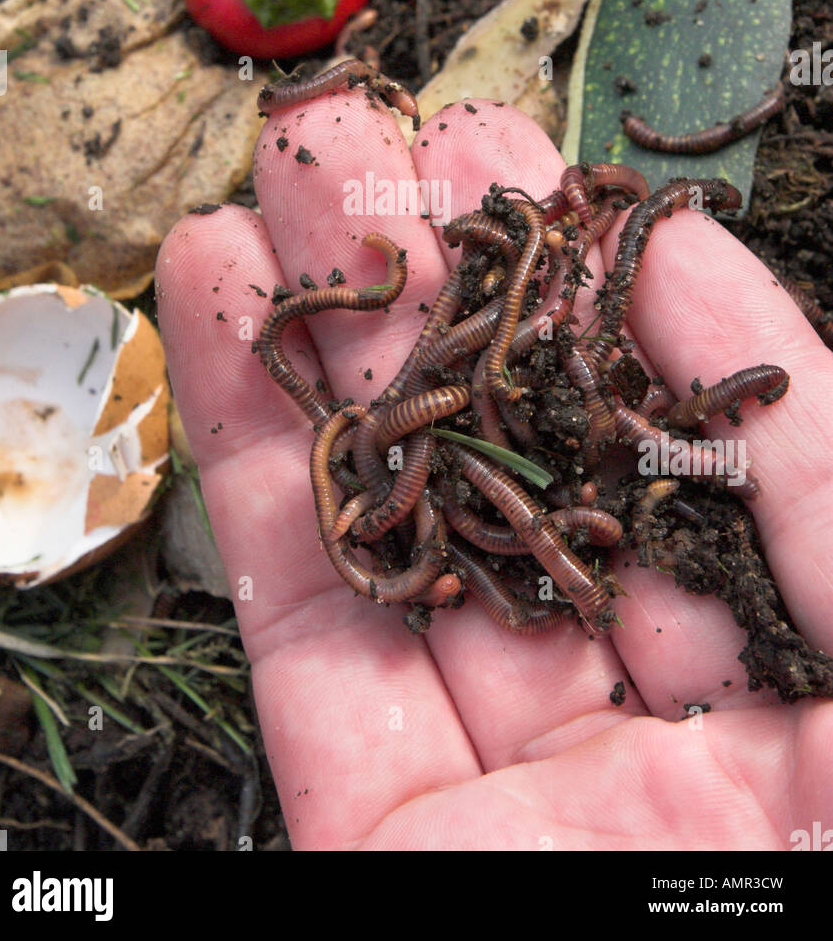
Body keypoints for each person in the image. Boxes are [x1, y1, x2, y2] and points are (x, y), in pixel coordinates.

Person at [155, 83, 833, 851]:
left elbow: (479, 413)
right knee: (479, 438)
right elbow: (413, 432)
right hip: (463, 478)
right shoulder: (415, 477)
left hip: (487, 473)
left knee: (499, 424)